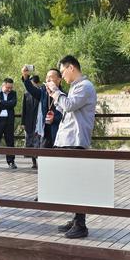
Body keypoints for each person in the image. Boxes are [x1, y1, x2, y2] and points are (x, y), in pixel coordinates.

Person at [48, 55, 97, 239]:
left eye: (62, 72)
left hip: (76, 140)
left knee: (77, 182)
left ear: (71, 68)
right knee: (70, 182)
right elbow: (66, 109)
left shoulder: (85, 86)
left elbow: (69, 105)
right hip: (68, 140)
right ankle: (75, 218)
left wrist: (56, 91)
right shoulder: (76, 88)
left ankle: (81, 224)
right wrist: (55, 96)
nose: (62, 76)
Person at [21, 67, 64, 168]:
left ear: (59, 79)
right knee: (43, 155)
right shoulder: (43, 92)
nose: (48, 80)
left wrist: (55, 118)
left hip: (57, 130)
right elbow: (31, 89)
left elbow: (65, 114)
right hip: (45, 130)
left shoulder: (63, 94)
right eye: (47, 77)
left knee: (57, 156)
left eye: (51, 77)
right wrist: (25, 76)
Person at [0, 78, 18, 169]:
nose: (9, 90)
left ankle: (11, 161)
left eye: (11, 88)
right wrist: (6, 104)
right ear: (3, 85)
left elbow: (13, 104)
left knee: (10, 141)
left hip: (8, 120)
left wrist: (1, 102)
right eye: (7, 87)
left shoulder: (13, 93)